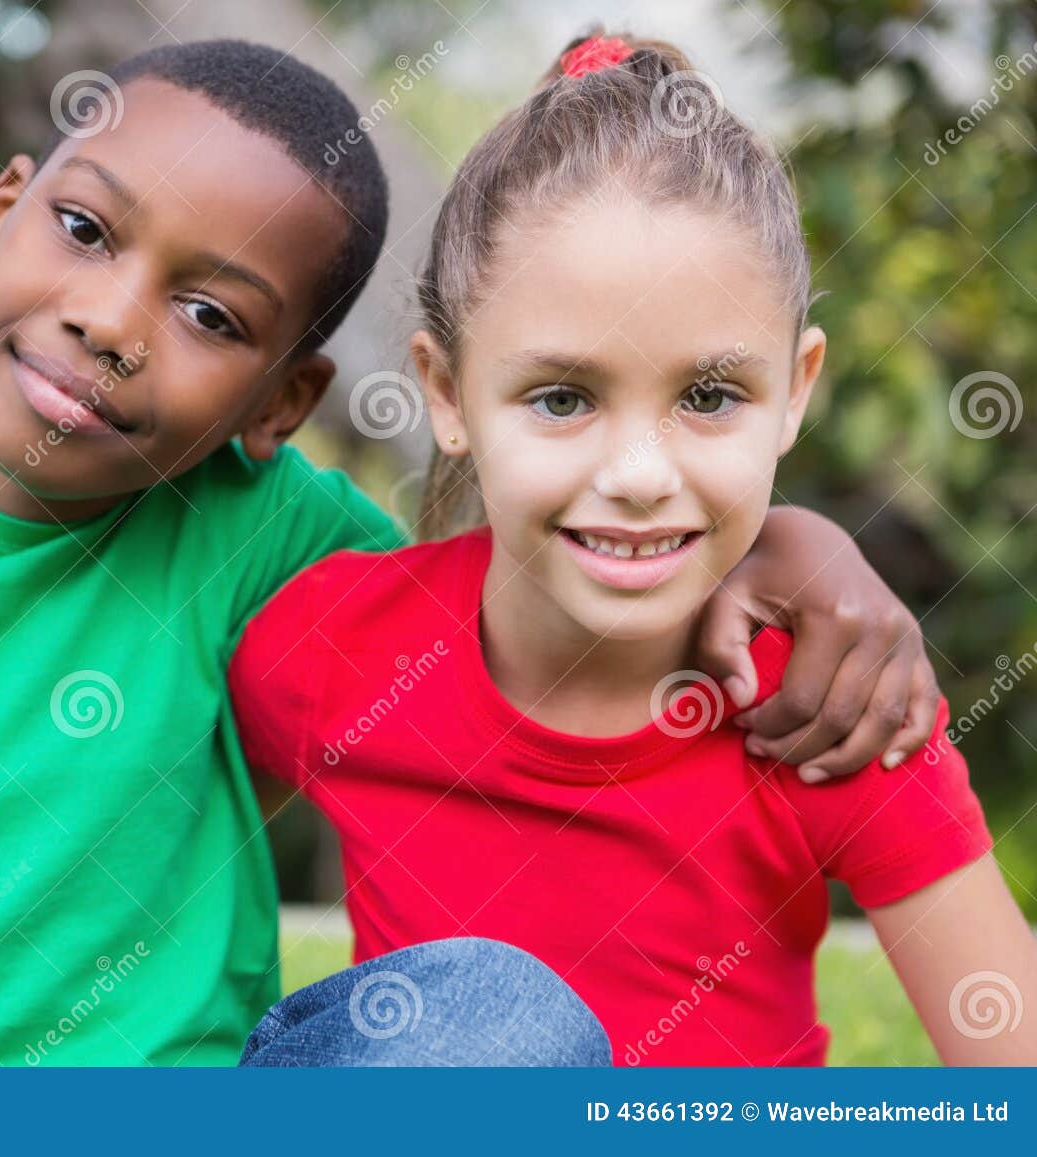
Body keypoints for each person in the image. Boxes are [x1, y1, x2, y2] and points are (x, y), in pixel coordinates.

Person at [0, 34, 931, 1067]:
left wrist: (796, 542)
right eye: (85, 231)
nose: (112, 320)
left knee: (492, 1028)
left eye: (214, 316)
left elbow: (548, 578)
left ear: (281, 405)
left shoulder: (261, 531)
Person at [227, 32, 1037, 1066]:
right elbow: (152, 888)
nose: (640, 473)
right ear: (445, 392)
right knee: (500, 1032)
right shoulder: (336, 649)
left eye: (708, 396)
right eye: (561, 397)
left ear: (795, 390)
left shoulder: (827, 706)